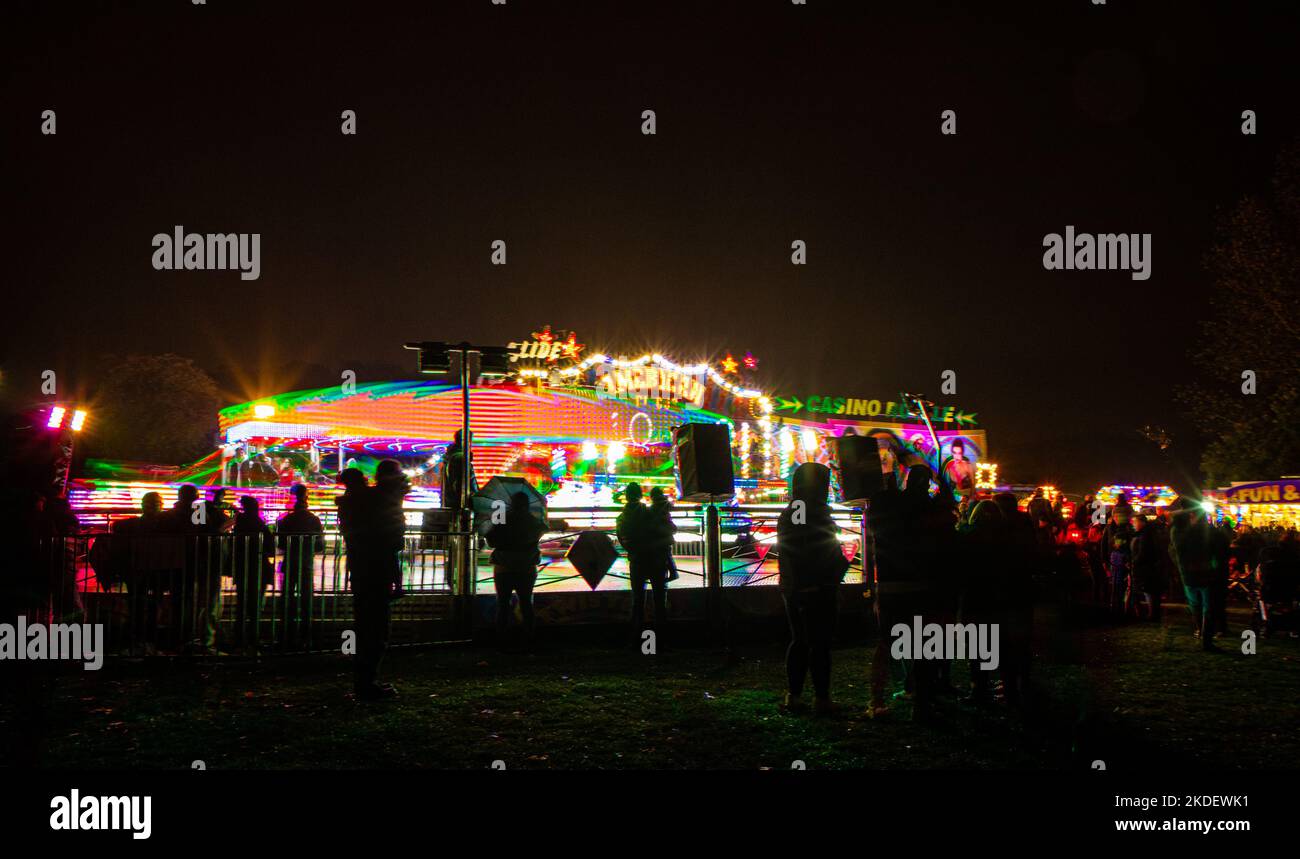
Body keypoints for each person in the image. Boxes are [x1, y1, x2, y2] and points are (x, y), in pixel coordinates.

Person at [776, 463, 848, 716]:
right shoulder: (813, 513)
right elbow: (817, 549)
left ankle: (794, 695)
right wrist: (838, 566)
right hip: (816, 587)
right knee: (820, 643)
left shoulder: (793, 511)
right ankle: (821, 697)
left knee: (800, 641)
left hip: (796, 587)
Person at [336, 468, 399, 700]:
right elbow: (389, 540)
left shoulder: (348, 507)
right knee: (376, 629)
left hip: (361, 571)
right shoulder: (367, 506)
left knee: (364, 627)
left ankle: (364, 681)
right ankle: (367, 683)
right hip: (375, 571)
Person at [485, 491, 546, 649]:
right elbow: (540, 533)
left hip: (504, 566)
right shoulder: (534, 520)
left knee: (503, 603)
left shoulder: (502, 519)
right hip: (526, 566)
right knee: (526, 602)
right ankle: (528, 637)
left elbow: (491, 541)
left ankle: (501, 638)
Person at [616, 483, 671, 640]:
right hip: (656, 560)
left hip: (637, 560)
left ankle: (637, 638)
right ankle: (661, 639)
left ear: (626, 496)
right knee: (660, 601)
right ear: (641, 496)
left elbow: (622, 540)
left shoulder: (622, 517)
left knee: (638, 601)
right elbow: (666, 532)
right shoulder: (650, 513)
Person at [277, 484, 324, 650]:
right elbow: (320, 545)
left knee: (287, 599)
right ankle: (306, 637)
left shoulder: (285, 520)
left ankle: (285, 637)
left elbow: (281, 543)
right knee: (306, 602)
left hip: (290, 562)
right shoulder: (314, 520)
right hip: (306, 564)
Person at [230, 496, 274, 655]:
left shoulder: (238, 525)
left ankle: (239, 640)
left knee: (242, 605)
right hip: (259, 569)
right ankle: (253, 640)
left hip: (243, 568)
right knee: (255, 607)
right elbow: (271, 547)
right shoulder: (260, 525)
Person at [1169, 505, 1215, 650]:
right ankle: (1205, 637)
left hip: (1188, 574)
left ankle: (1200, 631)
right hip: (1202, 572)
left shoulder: (1176, 534)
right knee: (1206, 605)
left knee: (1195, 603)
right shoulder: (1198, 533)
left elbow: (1174, 553)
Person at [1129, 515, 1165, 621]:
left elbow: (1143, 552)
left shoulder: (1146, 534)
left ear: (1142, 522)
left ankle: (1152, 614)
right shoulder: (1146, 533)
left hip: (1147, 567)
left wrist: (1134, 562)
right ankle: (1152, 613)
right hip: (1147, 566)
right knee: (1149, 591)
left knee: (1149, 590)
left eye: (1135, 522)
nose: (1133, 524)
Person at [647, 487, 679, 582]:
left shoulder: (653, 507)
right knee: (667, 554)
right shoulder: (665, 503)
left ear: (652, 496)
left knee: (662, 555)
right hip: (666, 535)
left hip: (658, 536)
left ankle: (669, 573)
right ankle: (673, 572)